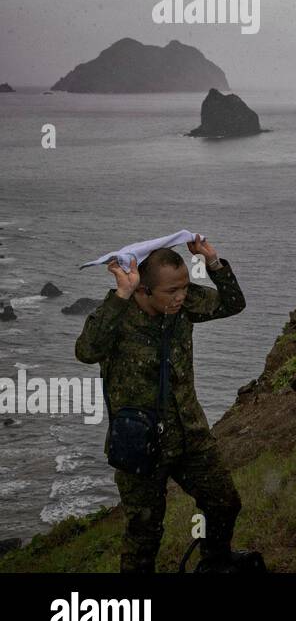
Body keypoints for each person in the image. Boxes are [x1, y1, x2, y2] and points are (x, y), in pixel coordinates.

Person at [75, 236, 252, 572]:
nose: (181, 296)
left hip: (189, 434)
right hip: (139, 445)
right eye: (172, 291)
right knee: (144, 534)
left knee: (225, 503)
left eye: (184, 287)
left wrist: (214, 263)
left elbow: (233, 304)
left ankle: (215, 564)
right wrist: (120, 296)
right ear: (143, 290)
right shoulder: (117, 315)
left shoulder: (181, 305)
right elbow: (86, 351)